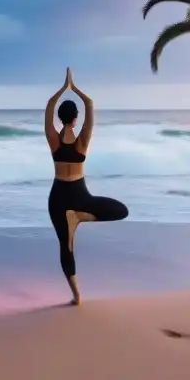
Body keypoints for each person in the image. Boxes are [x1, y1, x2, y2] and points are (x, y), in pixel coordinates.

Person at [44, 67, 129, 305]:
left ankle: (77, 296)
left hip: (59, 198)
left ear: (60, 118)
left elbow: (49, 107)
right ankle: (80, 215)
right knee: (121, 210)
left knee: (66, 247)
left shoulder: (53, 139)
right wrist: (74, 88)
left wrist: (61, 90)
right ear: (76, 118)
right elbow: (89, 104)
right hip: (80, 197)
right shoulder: (83, 140)